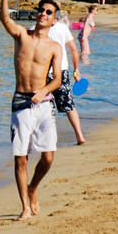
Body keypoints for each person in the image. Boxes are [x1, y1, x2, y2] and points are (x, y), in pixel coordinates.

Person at [0, 0, 61, 220]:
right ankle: (25, 206)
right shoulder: (22, 36)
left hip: (43, 103)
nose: (43, 14)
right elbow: (5, 18)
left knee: (48, 157)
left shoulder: (54, 47)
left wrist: (43, 90)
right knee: (21, 158)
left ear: (54, 20)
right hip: (21, 102)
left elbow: (57, 79)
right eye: (41, 10)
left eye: (48, 12)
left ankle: (33, 188)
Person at [49, 10, 87, 145]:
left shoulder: (36, 28)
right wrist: (76, 69)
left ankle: (50, 140)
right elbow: (73, 49)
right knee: (68, 104)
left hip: (48, 73)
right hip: (60, 71)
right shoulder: (62, 28)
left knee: (48, 107)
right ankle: (79, 136)